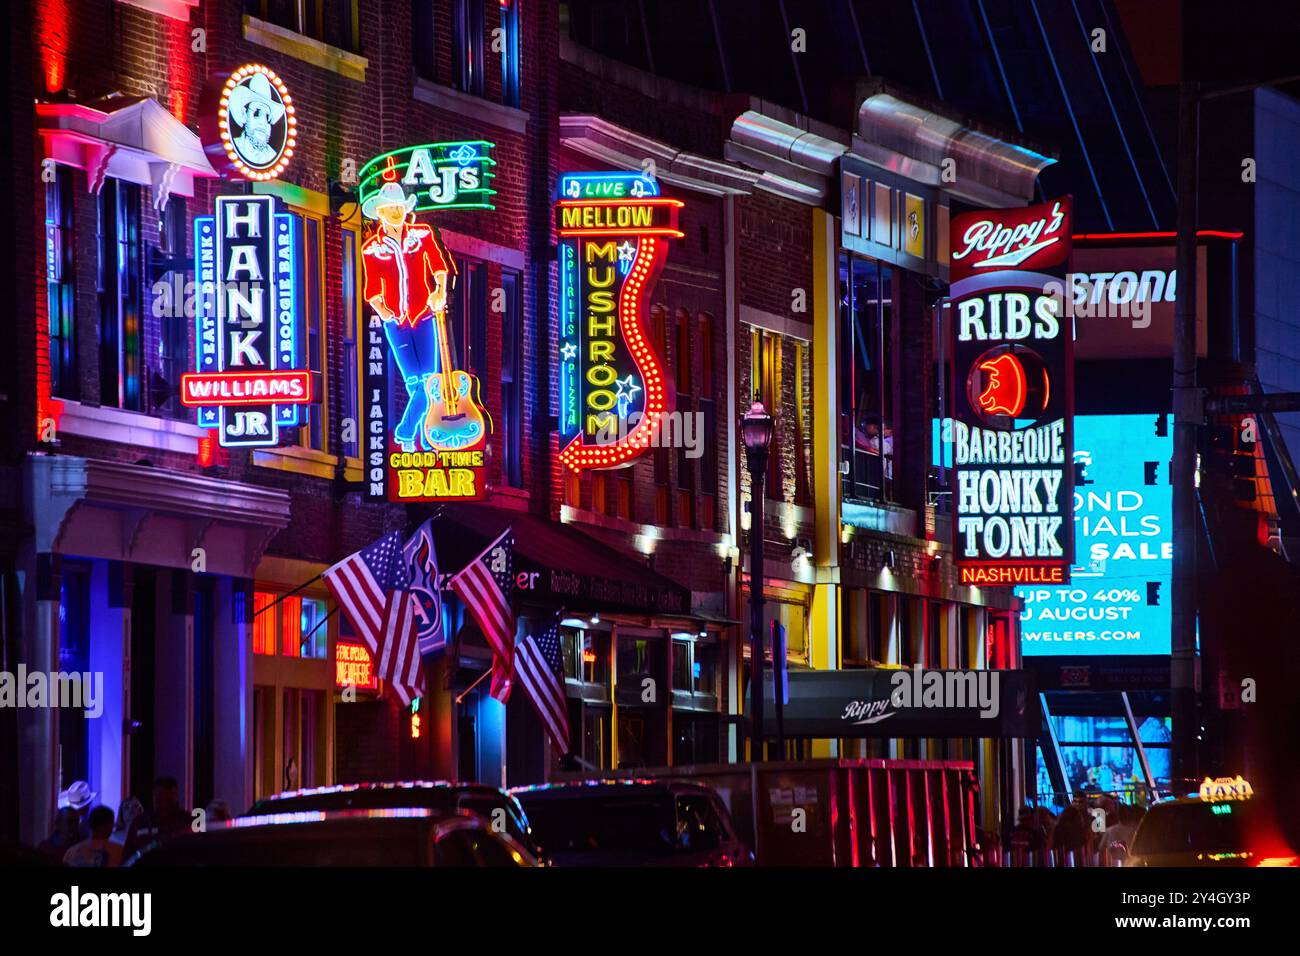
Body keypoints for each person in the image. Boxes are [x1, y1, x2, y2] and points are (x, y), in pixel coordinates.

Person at [123, 776, 191, 857]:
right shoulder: (140, 822)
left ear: (176, 797)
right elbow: (127, 856)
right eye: (159, 800)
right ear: (153, 797)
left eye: (169, 800)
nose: (164, 804)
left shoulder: (188, 822)